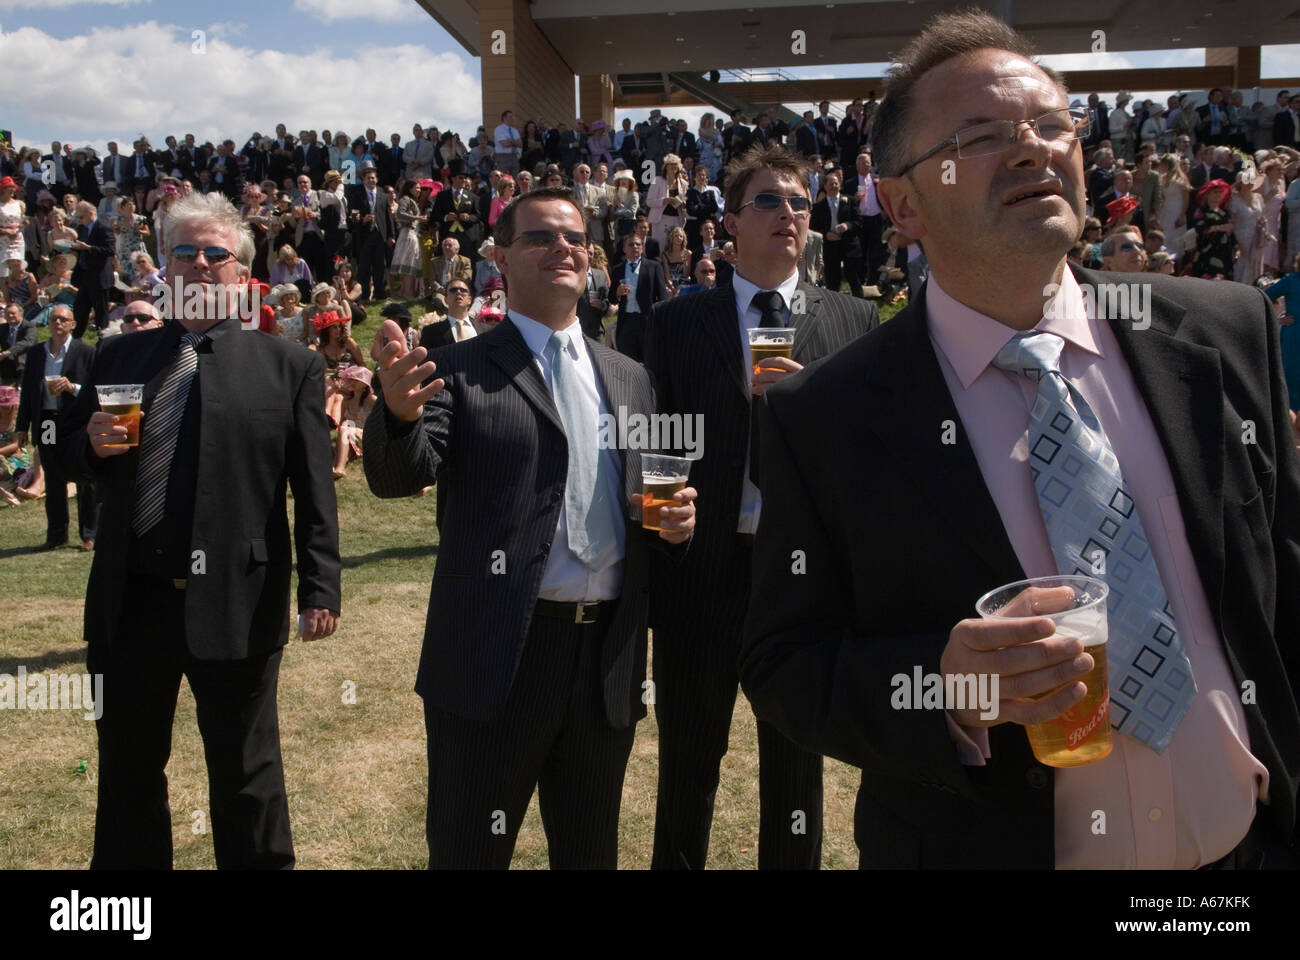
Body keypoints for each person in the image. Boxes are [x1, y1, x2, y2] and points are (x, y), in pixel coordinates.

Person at [740, 9, 1300, 870]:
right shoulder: (824, 416)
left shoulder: (1224, 332)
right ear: (901, 205)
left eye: (1052, 125)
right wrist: (949, 682)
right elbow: (785, 667)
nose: (1034, 148)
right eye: (983, 135)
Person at [363, 185, 698, 868]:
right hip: (496, 658)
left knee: (589, 853)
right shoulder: (457, 370)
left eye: (575, 237)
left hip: (605, 658)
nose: (563, 248)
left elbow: (650, 497)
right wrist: (396, 417)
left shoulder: (633, 378)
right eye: (541, 237)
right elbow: (401, 475)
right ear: (501, 258)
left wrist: (676, 524)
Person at [58, 191, 341, 869]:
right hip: (132, 601)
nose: (202, 264)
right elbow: (65, 454)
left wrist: (320, 587)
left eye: (219, 253)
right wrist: (88, 447)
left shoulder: (289, 366)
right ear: (165, 268)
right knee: (127, 772)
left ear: (243, 275)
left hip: (239, 599)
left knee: (246, 776)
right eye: (186, 251)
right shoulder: (117, 358)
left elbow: (314, 487)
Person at [641, 142, 878, 871]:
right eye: (768, 201)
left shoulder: (853, 321)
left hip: (801, 580)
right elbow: (659, 436)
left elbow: (867, 459)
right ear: (730, 225)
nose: (788, 214)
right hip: (702, 572)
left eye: (800, 202)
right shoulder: (679, 322)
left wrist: (815, 413)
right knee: (688, 760)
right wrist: (659, 510)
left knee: (797, 768)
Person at [15, 304, 97, 550]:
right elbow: (29, 391)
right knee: (53, 477)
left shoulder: (86, 352)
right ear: (48, 324)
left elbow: (94, 390)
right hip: (48, 420)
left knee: (85, 478)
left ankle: (89, 534)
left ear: (72, 324)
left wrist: (72, 387)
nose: (58, 323)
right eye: (54, 319)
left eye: (63, 319)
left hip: (75, 421)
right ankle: (57, 534)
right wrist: (22, 426)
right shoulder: (37, 353)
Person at [609, 232, 667, 360]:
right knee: (628, 360)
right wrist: (617, 293)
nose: (635, 247)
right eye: (631, 244)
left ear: (642, 247)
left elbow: (663, 297)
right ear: (624, 249)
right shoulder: (618, 269)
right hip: (627, 321)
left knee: (650, 360)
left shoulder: (654, 266)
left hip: (648, 320)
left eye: (638, 244)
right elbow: (611, 298)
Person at [811, 170, 865, 297]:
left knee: (854, 277)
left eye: (836, 183)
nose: (834, 186)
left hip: (849, 244)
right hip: (831, 246)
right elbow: (813, 228)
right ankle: (834, 305)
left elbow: (859, 222)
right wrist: (826, 235)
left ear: (840, 185)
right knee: (832, 279)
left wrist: (847, 225)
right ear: (825, 187)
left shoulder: (850, 201)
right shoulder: (819, 206)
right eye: (831, 183)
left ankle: (859, 303)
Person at [346, 166, 396, 302]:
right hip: (364, 235)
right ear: (363, 180)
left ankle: (379, 295)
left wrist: (391, 235)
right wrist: (363, 219)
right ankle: (364, 295)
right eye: (368, 178)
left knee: (380, 266)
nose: (371, 180)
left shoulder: (383, 195)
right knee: (364, 268)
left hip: (379, 235)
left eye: (373, 178)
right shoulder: (356, 194)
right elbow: (352, 215)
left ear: (377, 179)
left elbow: (388, 216)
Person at [70, 201, 115, 338]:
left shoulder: (103, 228)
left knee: (101, 312)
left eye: (82, 217)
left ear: (91, 214)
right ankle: (75, 340)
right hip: (84, 275)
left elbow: (110, 250)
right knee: (80, 309)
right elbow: (80, 248)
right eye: (78, 217)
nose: (80, 220)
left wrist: (89, 248)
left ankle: (103, 340)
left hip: (99, 276)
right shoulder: (81, 229)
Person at [418, 280, 486, 351]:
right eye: (453, 290)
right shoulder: (430, 332)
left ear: (469, 300)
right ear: (446, 299)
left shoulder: (486, 330)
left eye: (463, 290)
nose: (458, 292)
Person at [0, 301, 38, 384]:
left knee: (21, 357)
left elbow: (28, 342)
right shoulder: (2, 328)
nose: (10, 316)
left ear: (21, 314)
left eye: (13, 313)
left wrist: (9, 352)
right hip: (7, 363)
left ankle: (21, 385)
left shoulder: (30, 327)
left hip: (25, 361)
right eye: (7, 314)